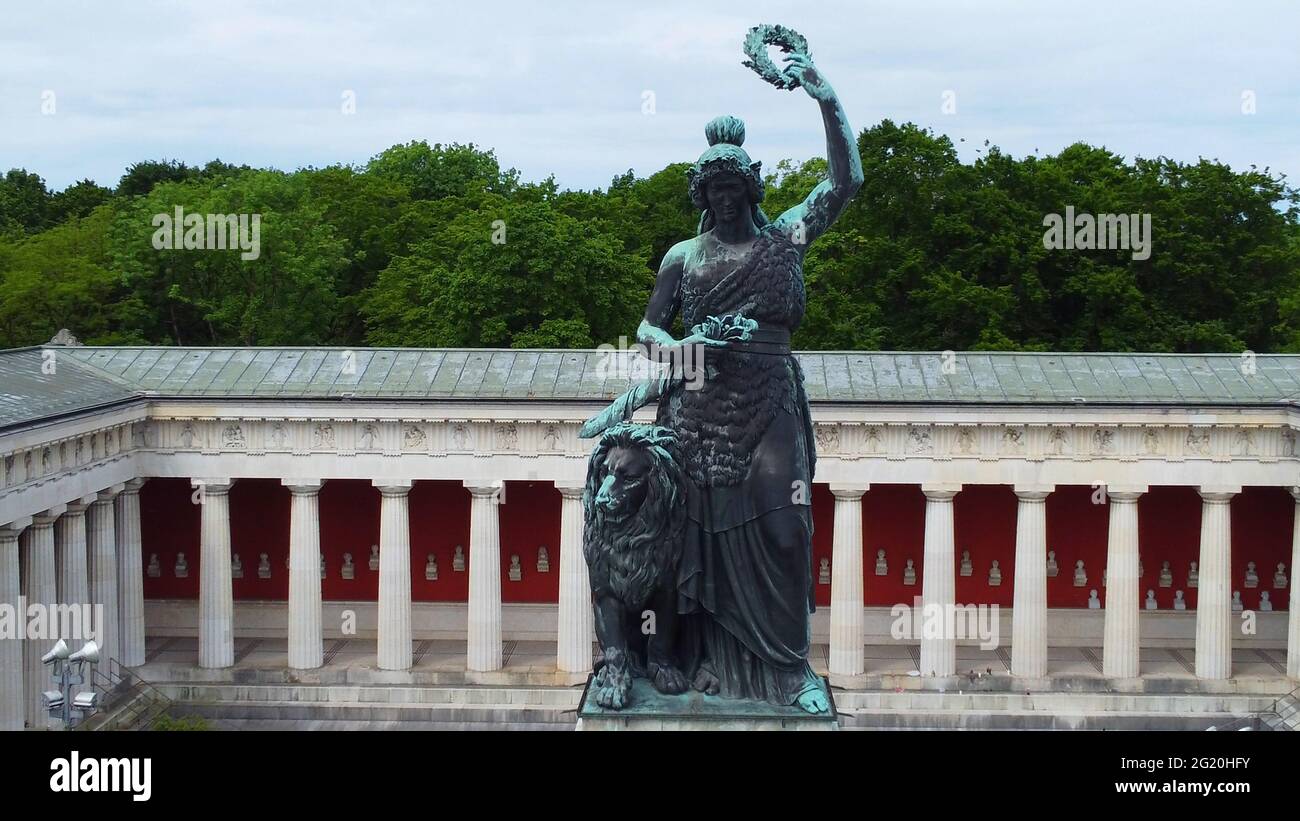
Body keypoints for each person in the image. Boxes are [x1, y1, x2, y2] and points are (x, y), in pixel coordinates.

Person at [627, 51, 862, 713]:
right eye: (714, 190)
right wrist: (683, 344)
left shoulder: (785, 238)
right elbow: (647, 331)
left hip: (767, 396)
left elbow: (845, 182)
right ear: (703, 195)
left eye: (734, 188)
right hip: (695, 404)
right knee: (680, 539)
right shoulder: (684, 258)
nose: (725, 199)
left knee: (784, 529)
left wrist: (826, 97)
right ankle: (679, 651)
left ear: (752, 189)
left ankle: (788, 669)